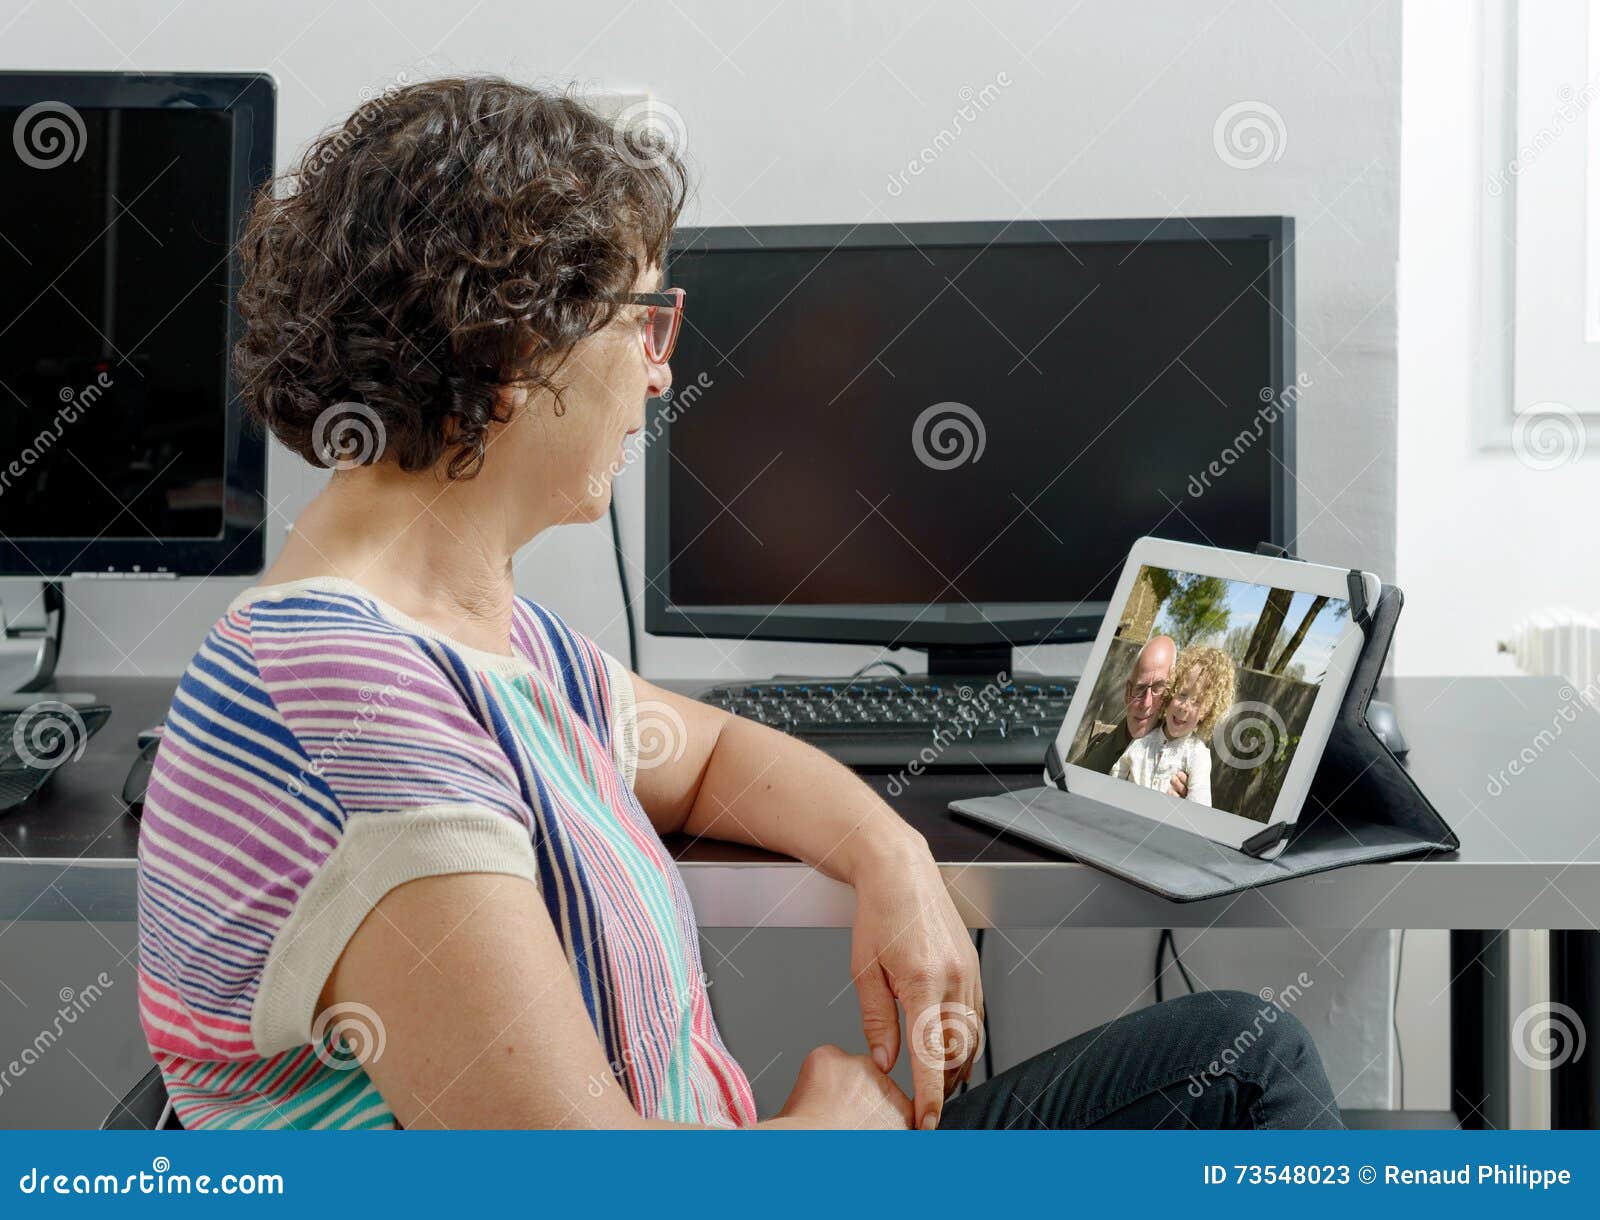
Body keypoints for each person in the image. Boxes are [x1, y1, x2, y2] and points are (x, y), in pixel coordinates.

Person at [133, 77, 1342, 1131]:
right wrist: (845, 1119)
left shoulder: (469, 635)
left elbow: (703, 753)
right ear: (508, 347)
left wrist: (892, 851)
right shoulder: (351, 700)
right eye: (644, 318)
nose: (663, 369)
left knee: (1244, 1056)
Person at [1113, 645, 1237, 808]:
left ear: (1207, 713)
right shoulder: (1143, 739)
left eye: (1197, 702)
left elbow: (1199, 808)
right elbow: (1116, 776)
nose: (1184, 706)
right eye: (1183, 694)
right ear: (1172, 691)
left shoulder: (1197, 756)